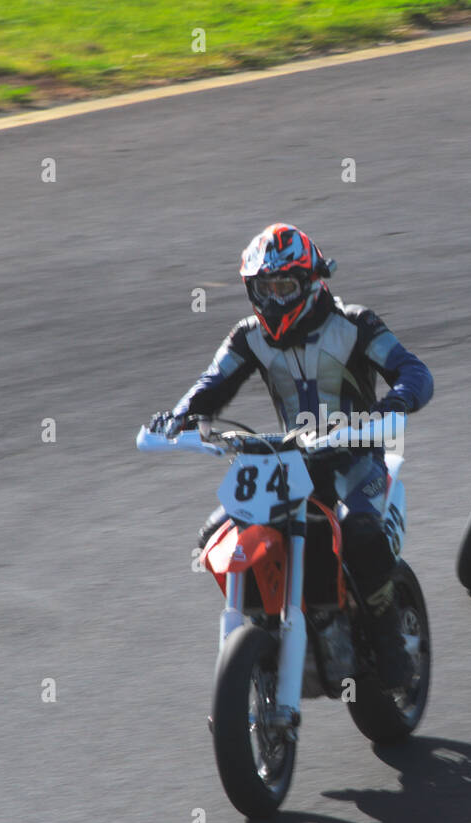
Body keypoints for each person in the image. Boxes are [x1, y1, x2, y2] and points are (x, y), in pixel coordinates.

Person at [149, 223, 433, 688]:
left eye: (285, 287)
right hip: (290, 463)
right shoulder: (247, 336)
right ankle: (264, 626)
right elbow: (211, 384)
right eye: (265, 288)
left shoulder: (355, 324)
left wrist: (395, 404)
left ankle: (389, 642)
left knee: (360, 533)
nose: (275, 300)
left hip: (356, 457)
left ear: (312, 281)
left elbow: (414, 371)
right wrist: (179, 416)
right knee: (213, 535)